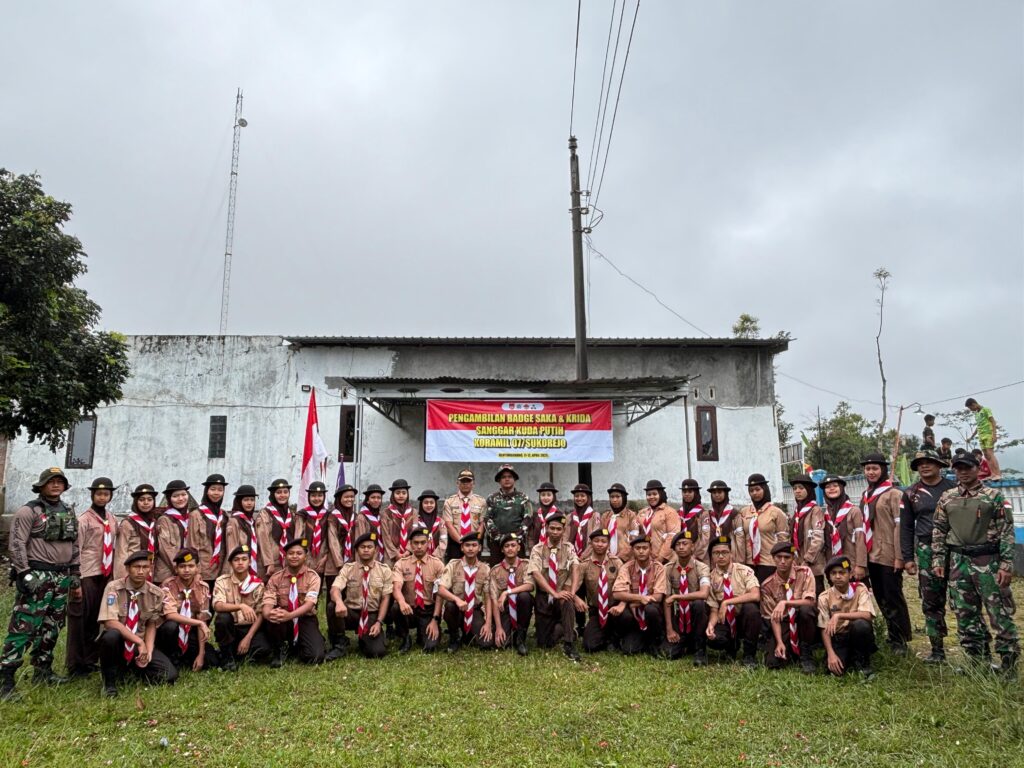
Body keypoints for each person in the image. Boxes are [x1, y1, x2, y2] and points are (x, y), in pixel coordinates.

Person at [932, 454, 1019, 675]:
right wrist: (939, 559)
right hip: (958, 562)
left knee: (998, 612)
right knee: (965, 613)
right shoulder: (947, 497)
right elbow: (939, 530)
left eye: (967, 467)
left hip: (987, 561)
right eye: (958, 468)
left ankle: (1008, 664)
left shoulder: (994, 497)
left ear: (978, 468)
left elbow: (1006, 532)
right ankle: (977, 662)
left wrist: (1006, 564)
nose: (963, 472)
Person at [0, 468, 80, 700]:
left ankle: (43, 670)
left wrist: (75, 571)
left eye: (60, 482)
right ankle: (6, 679)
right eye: (51, 482)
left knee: (52, 626)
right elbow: (16, 543)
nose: (56, 485)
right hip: (38, 575)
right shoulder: (28, 511)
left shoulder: (68, 511)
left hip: (61, 577)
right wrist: (24, 573)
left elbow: (75, 543)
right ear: (41, 485)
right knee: (24, 627)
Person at [96, 551, 178, 697]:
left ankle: (136, 669)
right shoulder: (113, 588)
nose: (141, 571)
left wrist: (149, 650)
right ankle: (109, 684)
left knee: (170, 676)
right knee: (111, 636)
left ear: (150, 569)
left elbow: (151, 623)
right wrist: (139, 642)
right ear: (127, 568)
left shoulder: (156, 593)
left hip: (139, 645)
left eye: (145, 567)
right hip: (119, 644)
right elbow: (110, 622)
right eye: (136, 567)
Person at [901, 450, 956, 663]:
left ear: (939, 465)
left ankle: (975, 651)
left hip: (954, 548)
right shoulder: (911, 493)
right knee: (931, 600)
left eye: (929, 462)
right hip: (926, 549)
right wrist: (908, 558)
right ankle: (937, 650)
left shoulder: (952, 489)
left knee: (962, 599)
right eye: (920, 463)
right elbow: (906, 528)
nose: (925, 466)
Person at [66, 476, 119, 678]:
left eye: (106, 494)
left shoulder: (111, 518)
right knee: (80, 619)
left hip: (104, 574)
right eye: (99, 493)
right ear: (92, 495)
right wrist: (75, 577)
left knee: (97, 619)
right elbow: (75, 548)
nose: (102, 497)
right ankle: (75, 664)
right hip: (86, 573)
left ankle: (90, 659)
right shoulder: (84, 519)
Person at [860, 452, 912, 653]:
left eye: (875, 468)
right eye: (867, 469)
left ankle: (901, 639)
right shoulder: (866, 495)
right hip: (871, 554)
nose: (871, 472)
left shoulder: (893, 494)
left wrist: (900, 556)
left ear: (883, 470)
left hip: (889, 555)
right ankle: (891, 635)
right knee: (880, 596)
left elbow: (901, 527)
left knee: (893, 597)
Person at [262, 537, 325, 666]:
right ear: (285, 556)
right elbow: (268, 601)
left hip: (304, 618)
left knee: (315, 656)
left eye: (299, 553)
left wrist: (290, 615)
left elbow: (309, 604)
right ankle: (280, 648)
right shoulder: (275, 578)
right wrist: (268, 614)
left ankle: (301, 644)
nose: (294, 556)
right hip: (281, 621)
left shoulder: (313, 577)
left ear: (305, 556)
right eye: (291, 553)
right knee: (274, 617)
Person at [527, 512, 580, 660]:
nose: (555, 532)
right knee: (544, 643)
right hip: (544, 596)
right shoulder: (538, 549)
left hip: (561, 595)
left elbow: (576, 567)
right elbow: (536, 573)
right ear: (547, 529)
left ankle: (569, 643)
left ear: (564, 531)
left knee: (568, 600)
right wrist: (553, 593)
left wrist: (573, 592)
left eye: (559, 529)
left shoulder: (568, 548)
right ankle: (562, 628)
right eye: (552, 528)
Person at [332, 532, 394, 658]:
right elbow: (335, 588)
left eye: (369, 547)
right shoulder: (348, 568)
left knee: (377, 653)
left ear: (376, 550)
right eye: (362, 547)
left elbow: (385, 599)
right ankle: (339, 643)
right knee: (331, 606)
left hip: (371, 614)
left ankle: (364, 639)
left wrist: (378, 622)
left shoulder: (384, 570)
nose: (366, 550)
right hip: (351, 613)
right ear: (356, 550)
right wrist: (339, 602)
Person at [157, 548, 218, 673]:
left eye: (191, 566)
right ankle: (172, 658)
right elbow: (170, 615)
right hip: (169, 634)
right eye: (182, 566)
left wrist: (201, 654)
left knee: (212, 661)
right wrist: (199, 623)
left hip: (189, 631)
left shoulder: (203, 588)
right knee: (170, 626)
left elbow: (202, 620)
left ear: (197, 568)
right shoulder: (168, 585)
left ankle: (187, 656)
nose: (186, 570)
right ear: (176, 569)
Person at [704, 535, 760, 668]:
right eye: (716, 553)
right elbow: (713, 609)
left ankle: (749, 655)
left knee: (752, 610)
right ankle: (731, 646)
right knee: (714, 640)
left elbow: (755, 595)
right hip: (725, 620)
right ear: (712, 556)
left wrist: (727, 602)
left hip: (742, 619)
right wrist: (711, 625)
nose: (721, 556)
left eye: (724, 552)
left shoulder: (744, 571)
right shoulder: (710, 578)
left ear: (731, 554)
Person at [760, 542, 816, 673]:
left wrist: (786, 603)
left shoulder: (805, 573)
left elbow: (810, 602)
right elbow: (773, 618)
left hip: (803, 620)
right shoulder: (767, 585)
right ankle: (788, 649)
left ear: (793, 558)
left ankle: (806, 654)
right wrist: (779, 642)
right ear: (773, 559)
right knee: (772, 663)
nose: (782, 561)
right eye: (779, 557)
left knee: (806, 611)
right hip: (784, 622)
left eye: (787, 557)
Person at [213, 545, 271, 670]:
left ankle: (233, 652)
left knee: (264, 650)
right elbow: (218, 605)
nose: (240, 563)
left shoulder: (257, 584)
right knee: (222, 618)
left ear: (249, 562)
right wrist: (240, 606)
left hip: (249, 628)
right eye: (236, 559)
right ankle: (227, 657)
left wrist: (248, 637)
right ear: (230, 563)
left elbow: (261, 613)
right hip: (231, 627)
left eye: (244, 559)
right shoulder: (222, 581)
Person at [818, 555, 877, 679]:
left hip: (857, 635)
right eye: (833, 573)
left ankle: (862, 662)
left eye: (842, 572)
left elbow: (867, 614)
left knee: (861, 624)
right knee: (835, 672)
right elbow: (824, 628)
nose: (838, 576)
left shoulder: (860, 589)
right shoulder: (824, 597)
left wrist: (839, 615)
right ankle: (847, 657)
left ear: (850, 574)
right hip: (839, 638)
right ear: (829, 577)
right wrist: (830, 654)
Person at [437, 533, 494, 652]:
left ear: (479, 548)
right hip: (457, 609)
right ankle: (454, 637)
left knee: (486, 644)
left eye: (474, 545)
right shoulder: (453, 565)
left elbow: (488, 598)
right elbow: (441, 589)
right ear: (462, 548)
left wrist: (488, 623)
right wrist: (457, 600)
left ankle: (467, 634)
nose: (471, 548)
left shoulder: (485, 568)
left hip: (475, 609)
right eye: (467, 545)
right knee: (450, 606)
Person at [391, 526, 445, 654]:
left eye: (423, 543)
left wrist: (435, 620)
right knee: (395, 607)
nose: (419, 546)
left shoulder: (437, 564)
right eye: (416, 543)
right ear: (410, 544)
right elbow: (396, 587)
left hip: (428, 610)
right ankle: (405, 638)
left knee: (430, 646)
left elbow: (440, 595)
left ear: (428, 543)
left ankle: (423, 633)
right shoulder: (401, 564)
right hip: (409, 609)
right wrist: (402, 602)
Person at [661, 529, 710, 666]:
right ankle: (684, 642)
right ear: (674, 549)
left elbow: (704, 593)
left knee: (699, 603)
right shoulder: (668, 569)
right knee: (668, 654)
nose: (681, 547)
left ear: (692, 546)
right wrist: (670, 629)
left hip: (696, 616)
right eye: (678, 545)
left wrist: (678, 596)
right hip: (678, 616)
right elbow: (667, 601)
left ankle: (700, 649)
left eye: (685, 543)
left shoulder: (702, 567)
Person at [612, 536, 667, 656]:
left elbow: (658, 597)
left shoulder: (659, 568)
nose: (641, 551)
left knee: (651, 609)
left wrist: (633, 602)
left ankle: (654, 639)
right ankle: (632, 635)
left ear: (650, 550)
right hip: (635, 616)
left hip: (651, 613)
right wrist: (640, 598)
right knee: (629, 650)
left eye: (644, 548)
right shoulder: (626, 567)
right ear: (632, 550)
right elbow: (617, 593)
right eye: (637, 548)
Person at [323, 484, 357, 660]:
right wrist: (340, 563)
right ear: (339, 498)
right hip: (335, 566)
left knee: (349, 597)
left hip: (352, 563)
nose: (349, 500)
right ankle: (335, 636)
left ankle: (347, 629)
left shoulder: (355, 516)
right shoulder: (333, 517)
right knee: (333, 600)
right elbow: (332, 540)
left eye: (352, 497)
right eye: (346, 497)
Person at [579, 528, 624, 653]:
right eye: (596, 541)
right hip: (596, 610)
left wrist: (621, 605)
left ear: (608, 544)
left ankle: (614, 638)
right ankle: (604, 635)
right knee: (589, 646)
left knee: (625, 618)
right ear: (591, 543)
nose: (600, 544)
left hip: (615, 610)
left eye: (603, 541)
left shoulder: (617, 563)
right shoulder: (584, 565)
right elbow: (575, 587)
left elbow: (627, 587)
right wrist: (577, 599)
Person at [489, 532, 534, 656]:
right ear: (502, 550)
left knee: (525, 596)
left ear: (518, 548)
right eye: (506, 546)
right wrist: (498, 627)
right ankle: (509, 632)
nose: (510, 548)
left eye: (513, 545)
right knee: (502, 644)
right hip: (505, 609)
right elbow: (493, 599)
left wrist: (507, 592)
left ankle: (521, 638)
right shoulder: (495, 571)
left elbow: (530, 586)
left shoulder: (526, 565)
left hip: (521, 608)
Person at [740, 473, 790, 583]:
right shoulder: (744, 512)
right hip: (749, 562)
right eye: (751, 490)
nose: (755, 493)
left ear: (764, 489)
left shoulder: (776, 512)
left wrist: (782, 560)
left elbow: (783, 539)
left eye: (758, 489)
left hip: (768, 562)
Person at [819, 475, 867, 582]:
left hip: (851, 565)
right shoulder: (825, 514)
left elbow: (860, 540)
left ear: (841, 488)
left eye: (835, 485)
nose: (831, 488)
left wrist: (860, 565)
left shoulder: (853, 511)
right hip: (833, 566)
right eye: (827, 487)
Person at [484, 465, 533, 566]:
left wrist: (516, 536)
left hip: (517, 543)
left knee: (519, 572)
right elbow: (487, 518)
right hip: (497, 544)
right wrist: (499, 537)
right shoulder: (491, 498)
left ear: (514, 479)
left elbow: (528, 518)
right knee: (496, 573)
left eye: (510, 476)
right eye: (503, 477)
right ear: (499, 480)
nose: (507, 479)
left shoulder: (523, 497)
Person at [256, 479, 303, 578]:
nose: (282, 495)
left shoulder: (293, 514)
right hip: (273, 563)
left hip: (290, 561)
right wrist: (269, 563)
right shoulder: (265, 514)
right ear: (273, 494)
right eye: (278, 492)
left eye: (285, 492)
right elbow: (263, 539)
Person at [190, 474, 229, 593]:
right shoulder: (196, 514)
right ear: (206, 491)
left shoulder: (225, 515)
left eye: (220, 490)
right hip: (204, 570)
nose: (216, 493)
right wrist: (196, 572)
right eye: (213, 489)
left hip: (221, 569)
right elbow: (192, 545)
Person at [789, 475, 827, 594]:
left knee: (816, 594)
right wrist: (793, 556)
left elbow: (818, 539)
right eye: (795, 488)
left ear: (809, 490)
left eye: (801, 488)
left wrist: (808, 559)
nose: (797, 491)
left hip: (814, 564)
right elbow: (791, 537)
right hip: (798, 561)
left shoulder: (815, 510)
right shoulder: (796, 512)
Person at [113, 484, 160, 580]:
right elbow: (121, 553)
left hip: (149, 570)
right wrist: (122, 578)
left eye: (149, 500)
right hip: (132, 571)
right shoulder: (128, 523)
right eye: (141, 500)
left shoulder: (154, 522)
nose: (146, 503)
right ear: (136, 502)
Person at [441, 469, 487, 563]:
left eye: (468, 481)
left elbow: (482, 524)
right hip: (455, 544)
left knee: (474, 572)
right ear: (457, 483)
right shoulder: (449, 502)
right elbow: (449, 525)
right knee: (455, 572)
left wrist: (475, 542)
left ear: (473, 483)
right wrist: (461, 542)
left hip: (474, 545)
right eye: (463, 481)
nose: (465, 484)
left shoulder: (481, 501)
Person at [697, 480, 745, 564]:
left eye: (719, 492)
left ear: (725, 493)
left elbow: (740, 538)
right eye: (714, 493)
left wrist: (739, 561)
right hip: (710, 558)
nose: (716, 495)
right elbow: (701, 537)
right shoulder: (706, 514)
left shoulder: (734, 514)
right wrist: (699, 556)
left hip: (730, 558)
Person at [155, 480, 191, 584]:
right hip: (168, 572)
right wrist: (179, 568)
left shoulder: (190, 517)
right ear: (169, 499)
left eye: (184, 494)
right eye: (175, 496)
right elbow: (166, 549)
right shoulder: (165, 519)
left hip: (186, 571)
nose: (180, 499)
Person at [635, 480, 679, 563]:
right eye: (648, 494)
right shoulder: (642, 513)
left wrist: (660, 558)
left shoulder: (670, 512)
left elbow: (672, 536)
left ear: (661, 494)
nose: (651, 497)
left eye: (655, 494)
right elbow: (637, 534)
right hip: (645, 558)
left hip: (665, 560)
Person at [296, 481, 332, 580]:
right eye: (313, 495)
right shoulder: (302, 515)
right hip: (305, 558)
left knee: (318, 589)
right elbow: (298, 537)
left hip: (324, 558)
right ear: (309, 497)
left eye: (320, 495)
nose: (317, 499)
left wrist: (325, 557)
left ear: (324, 497)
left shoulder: (329, 515)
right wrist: (304, 556)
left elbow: (332, 539)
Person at [224, 484, 261, 579]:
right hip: (239, 568)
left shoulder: (251, 521)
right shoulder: (234, 521)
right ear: (239, 502)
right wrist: (233, 572)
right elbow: (232, 548)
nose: (249, 503)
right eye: (246, 500)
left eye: (252, 500)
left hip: (251, 565)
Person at [352, 484, 392, 565]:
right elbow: (360, 541)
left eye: (379, 498)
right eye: (373, 497)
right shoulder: (362, 517)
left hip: (384, 557)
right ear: (367, 500)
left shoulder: (383, 516)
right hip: (368, 558)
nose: (376, 500)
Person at [966, 398, 1001, 481]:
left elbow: (993, 422)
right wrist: (971, 437)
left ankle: (997, 474)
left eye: (971, 408)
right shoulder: (976, 414)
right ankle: (992, 474)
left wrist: (994, 435)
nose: (971, 410)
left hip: (988, 434)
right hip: (981, 436)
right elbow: (978, 427)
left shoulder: (986, 409)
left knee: (990, 453)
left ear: (974, 404)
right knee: (986, 455)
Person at [600, 483, 636, 563]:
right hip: (607, 560)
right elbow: (600, 537)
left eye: (618, 497)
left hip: (626, 560)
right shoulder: (605, 516)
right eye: (612, 497)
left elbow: (634, 539)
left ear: (624, 498)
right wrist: (607, 554)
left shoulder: (631, 516)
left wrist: (619, 557)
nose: (614, 500)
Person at [384, 479, 418, 561]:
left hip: (410, 554)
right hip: (391, 556)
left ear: (407, 495)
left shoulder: (413, 512)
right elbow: (386, 536)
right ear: (393, 495)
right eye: (397, 493)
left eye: (404, 493)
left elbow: (415, 532)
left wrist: (408, 550)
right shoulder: (386, 513)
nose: (401, 496)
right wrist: (396, 554)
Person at [567, 483, 601, 559]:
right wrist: (572, 556)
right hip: (571, 558)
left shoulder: (595, 516)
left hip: (589, 558)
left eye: (582, 495)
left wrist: (583, 557)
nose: (579, 498)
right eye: (577, 496)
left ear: (588, 497)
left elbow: (595, 539)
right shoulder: (569, 517)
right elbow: (565, 539)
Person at [677, 479, 708, 558]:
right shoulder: (678, 512)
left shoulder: (703, 513)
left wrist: (695, 555)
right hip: (680, 553)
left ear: (696, 493)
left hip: (697, 555)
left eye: (690, 492)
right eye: (684, 492)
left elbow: (705, 538)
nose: (687, 494)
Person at [526, 481, 559, 551]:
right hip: (537, 553)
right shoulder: (535, 516)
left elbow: (563, 537)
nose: (546, 498)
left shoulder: (559, 515)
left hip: (555, 553)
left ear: (553, 496)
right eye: (543, 495)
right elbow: (530, 536)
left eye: (549, 495)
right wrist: (533, 550)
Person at [415, 489, 446, 560]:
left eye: (432, 502)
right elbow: (412, 540)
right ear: (421, 504)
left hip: (437, 559)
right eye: (426, 502)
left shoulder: (440, 522)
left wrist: (435, 556)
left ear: (435, 504)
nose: (429, 505)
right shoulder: (416, 521)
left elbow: (443, 541)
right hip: (419, 557)